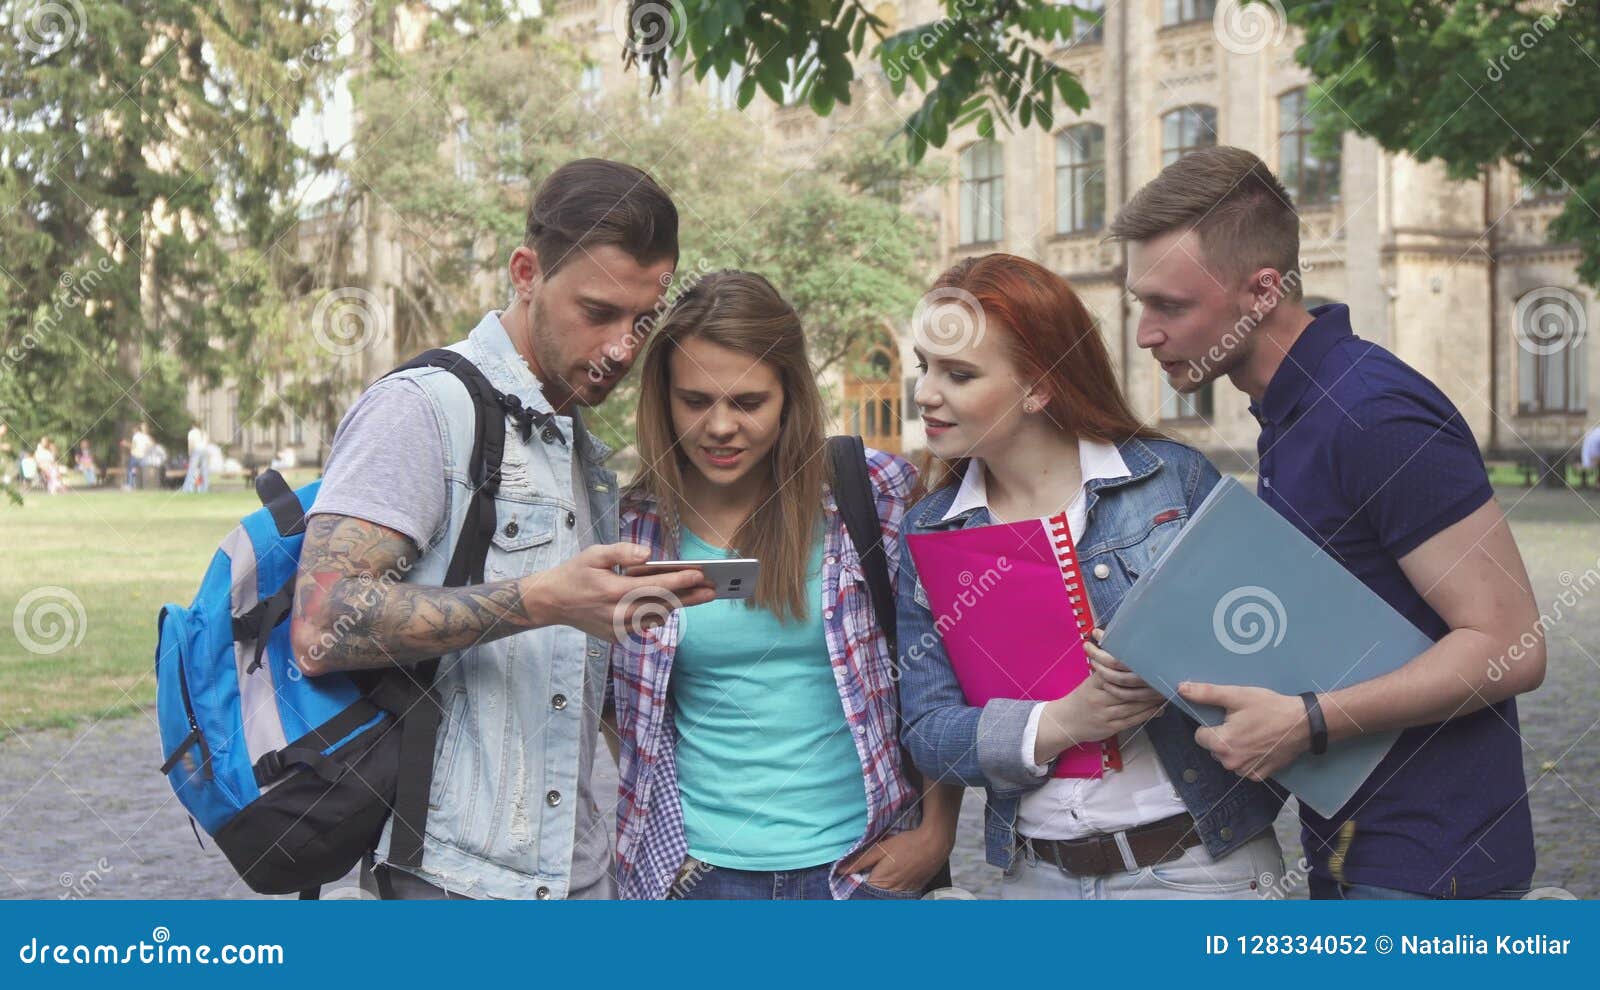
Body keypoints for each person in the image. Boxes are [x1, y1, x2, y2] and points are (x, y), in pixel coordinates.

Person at [1110, 145, 1543, 900]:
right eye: (1140, 304)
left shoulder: (1370, 412)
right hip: (1352, 853)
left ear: (1263, 290)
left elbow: (1512, 646)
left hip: (1432, 867)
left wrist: (1308, 720)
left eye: (1170, 306)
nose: (1146, 333)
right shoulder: (1290, 410)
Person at [287, 158, 714, 900]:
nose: (622, 348)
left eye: (642, 320)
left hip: (577, 876)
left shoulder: (576, 438)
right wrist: (544, 599)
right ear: (526, 273)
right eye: (598, 312)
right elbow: (322, 623)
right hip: (451, 881)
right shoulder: (421, 408)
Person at [897, 253, 1285, 899]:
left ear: (1039, 386)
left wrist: (1174, 670)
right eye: (925, 367)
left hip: (1200, 872)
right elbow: (928, 735)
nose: (927, 393)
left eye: (959, 374)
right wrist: (1064, 721)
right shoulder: (928, 531)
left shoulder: (1171, 480)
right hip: (1035, 881)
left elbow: (1281, 651)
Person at [610, 270, 962, 900]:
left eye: (748, 402)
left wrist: (936, 831)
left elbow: (940, 663)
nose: (720, 427)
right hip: (696, 875)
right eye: (695, 401)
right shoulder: (629, 527)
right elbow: (613, 705)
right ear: (662, 400)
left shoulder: (873, 490)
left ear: (790, 397)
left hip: (862, 867)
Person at [125, 422, 153, 489]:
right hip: (137, 456)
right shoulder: (141, 436)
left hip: (139, 457)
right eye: (142, 427)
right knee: (134, 471)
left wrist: (126, 444)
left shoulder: (143, 437)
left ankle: (131, 485)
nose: (143, 428)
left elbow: (133, 446)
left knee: (133, 471)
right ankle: (133, 485)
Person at [182, 423, 209, 492]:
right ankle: (204, 489)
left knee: (191, 470)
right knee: (204, 471)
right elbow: (206, 443)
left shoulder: (192, 432)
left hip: (196, 450)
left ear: (193, 426)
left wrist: (190, 453)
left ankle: (187, 488)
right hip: (204, 450)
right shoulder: (204, 433)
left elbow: (191, 444)